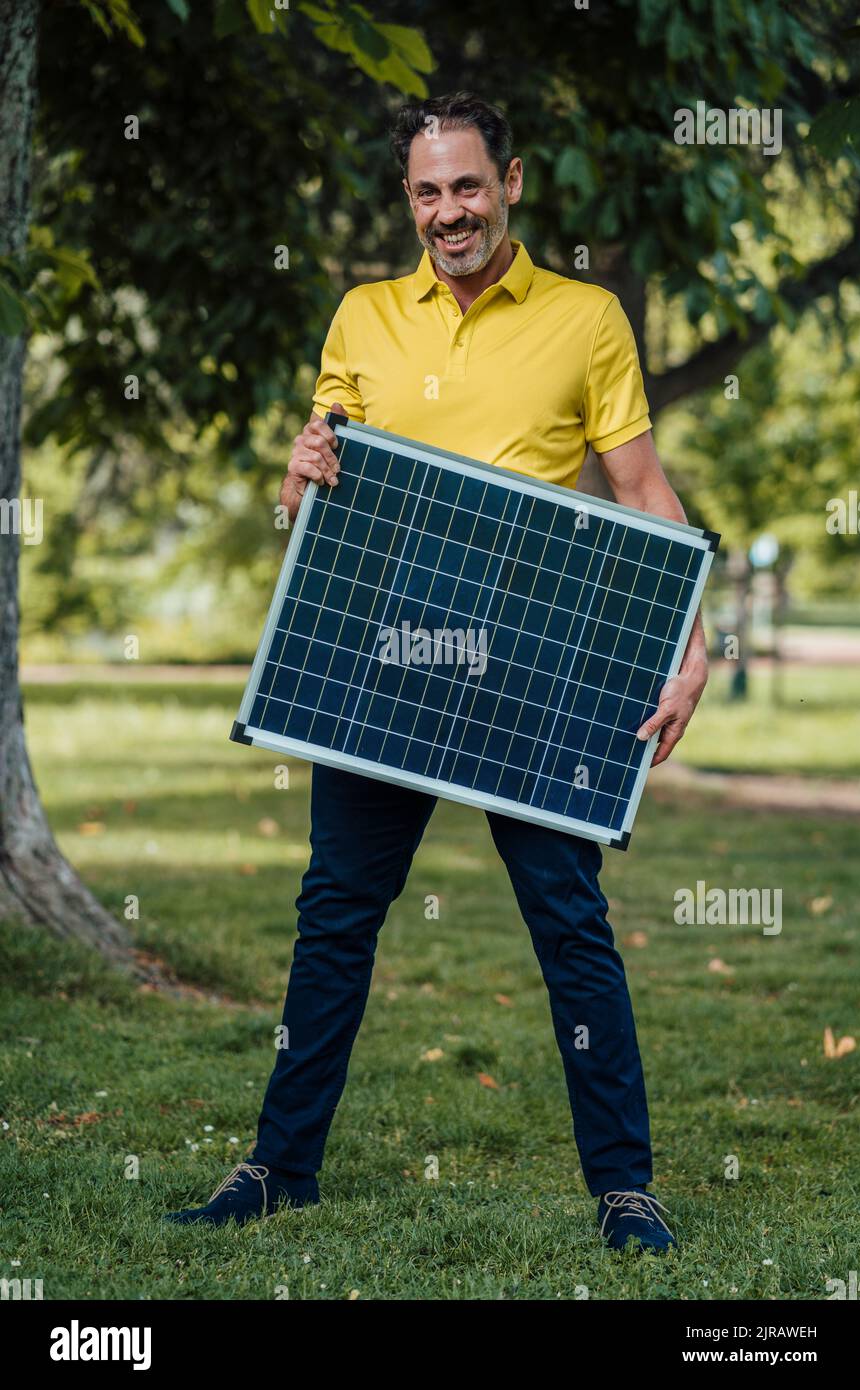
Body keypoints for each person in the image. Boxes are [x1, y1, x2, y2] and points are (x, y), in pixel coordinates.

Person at [166, 92, 708, 1253]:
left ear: (510, 182)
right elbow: (311, 502)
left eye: (468, 185)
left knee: (571, 921)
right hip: (391, 665)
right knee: (334, 915)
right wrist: (297, 470)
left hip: (532, 664)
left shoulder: (588, 317)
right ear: (408, 199)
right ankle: (278, 1168)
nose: (449, 210)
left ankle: (624, 1189)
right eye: (427, 191)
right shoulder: (362, 317)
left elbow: (642, 488)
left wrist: (695, 639)